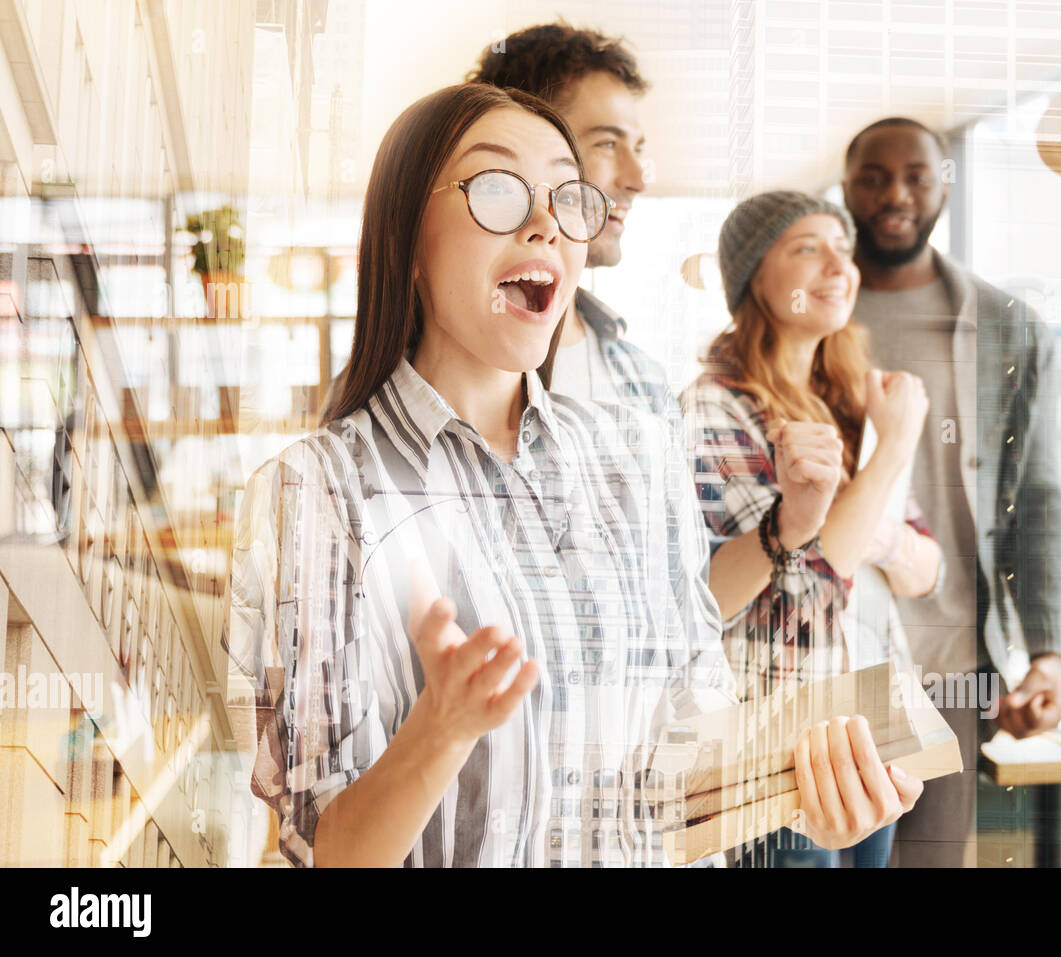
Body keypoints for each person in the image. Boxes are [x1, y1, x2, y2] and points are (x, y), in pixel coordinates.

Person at [225, 83, 919, 868]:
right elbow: (326, 851)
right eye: (495, 188)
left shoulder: (639, 457)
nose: (545, 222)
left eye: (567, 195)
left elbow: (684, 768)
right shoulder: (313, 493)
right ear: (405, 240)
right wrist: (439, 729)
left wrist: (808, 797)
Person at [681, 191, 941, 867]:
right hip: (786, 742)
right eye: (806, 248)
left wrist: (883, 534)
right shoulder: (715, 404)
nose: (839, 265)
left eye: (843, 248)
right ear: (751, 281)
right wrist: (896, 444)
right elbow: (816, 572)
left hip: (876, 724)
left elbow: (925, 569)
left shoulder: (855, 395)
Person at [841, 117, 1061, 866]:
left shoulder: (1008, 327)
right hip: (825, 660)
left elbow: (1037, 499)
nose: (895, 193)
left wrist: (1047, 653)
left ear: (947, 183)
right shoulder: (809, 313)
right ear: (846, 186)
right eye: (873, 175)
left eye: (916, 174)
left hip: (952, 668)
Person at [467, 23, 668, 414]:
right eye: (607, 143)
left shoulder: (643, 382)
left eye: (637, 147)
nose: (638, 179)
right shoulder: (407, 388)